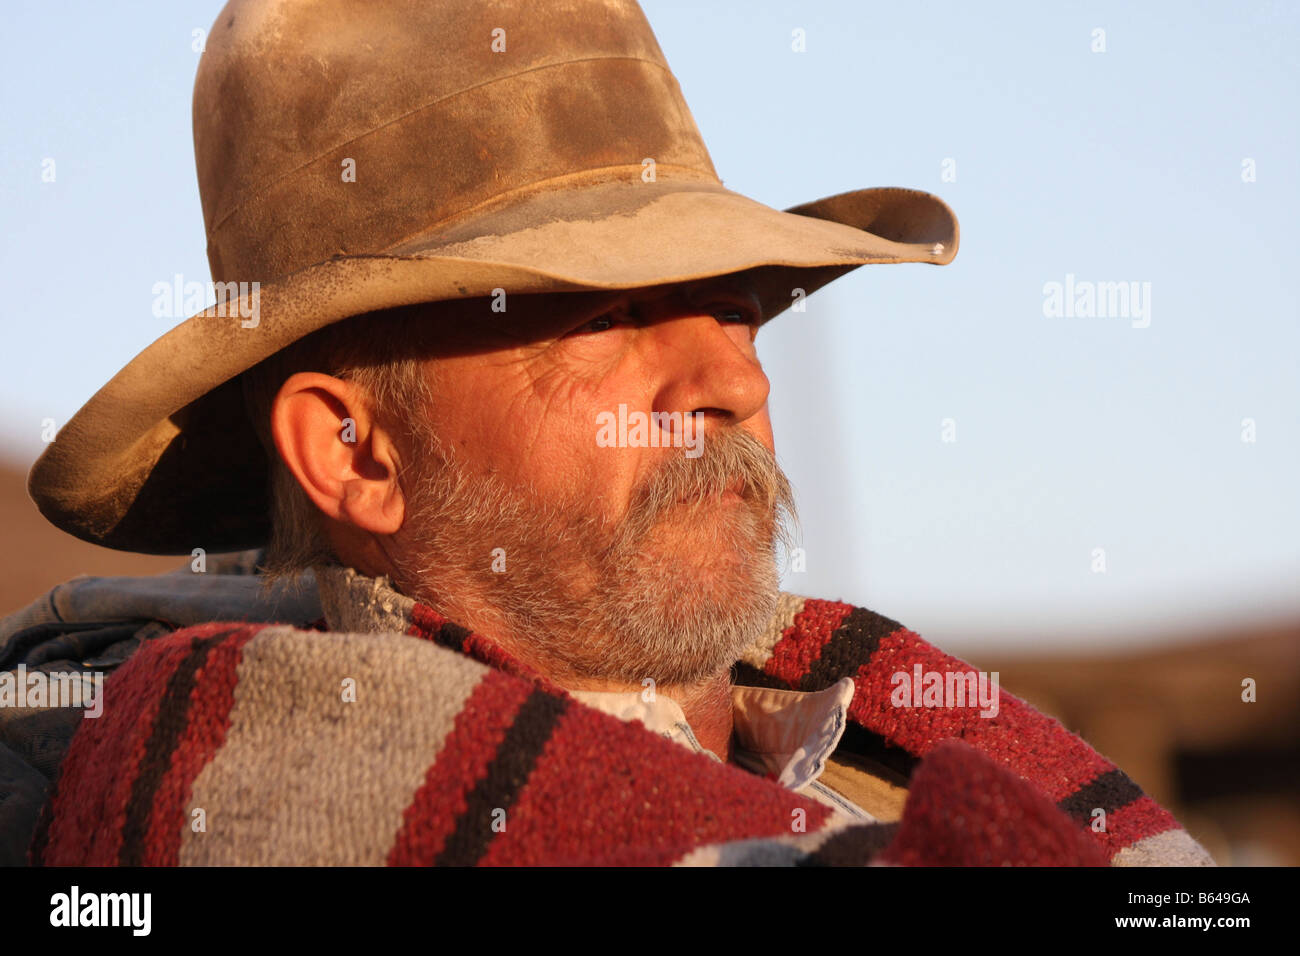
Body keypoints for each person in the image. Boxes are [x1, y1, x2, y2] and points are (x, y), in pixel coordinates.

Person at [1, 0, 1213, 866]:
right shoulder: (232, 785)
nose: (732, 377)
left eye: (734, 310)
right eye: (613, 315)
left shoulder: (920, 750)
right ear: (354, 453)